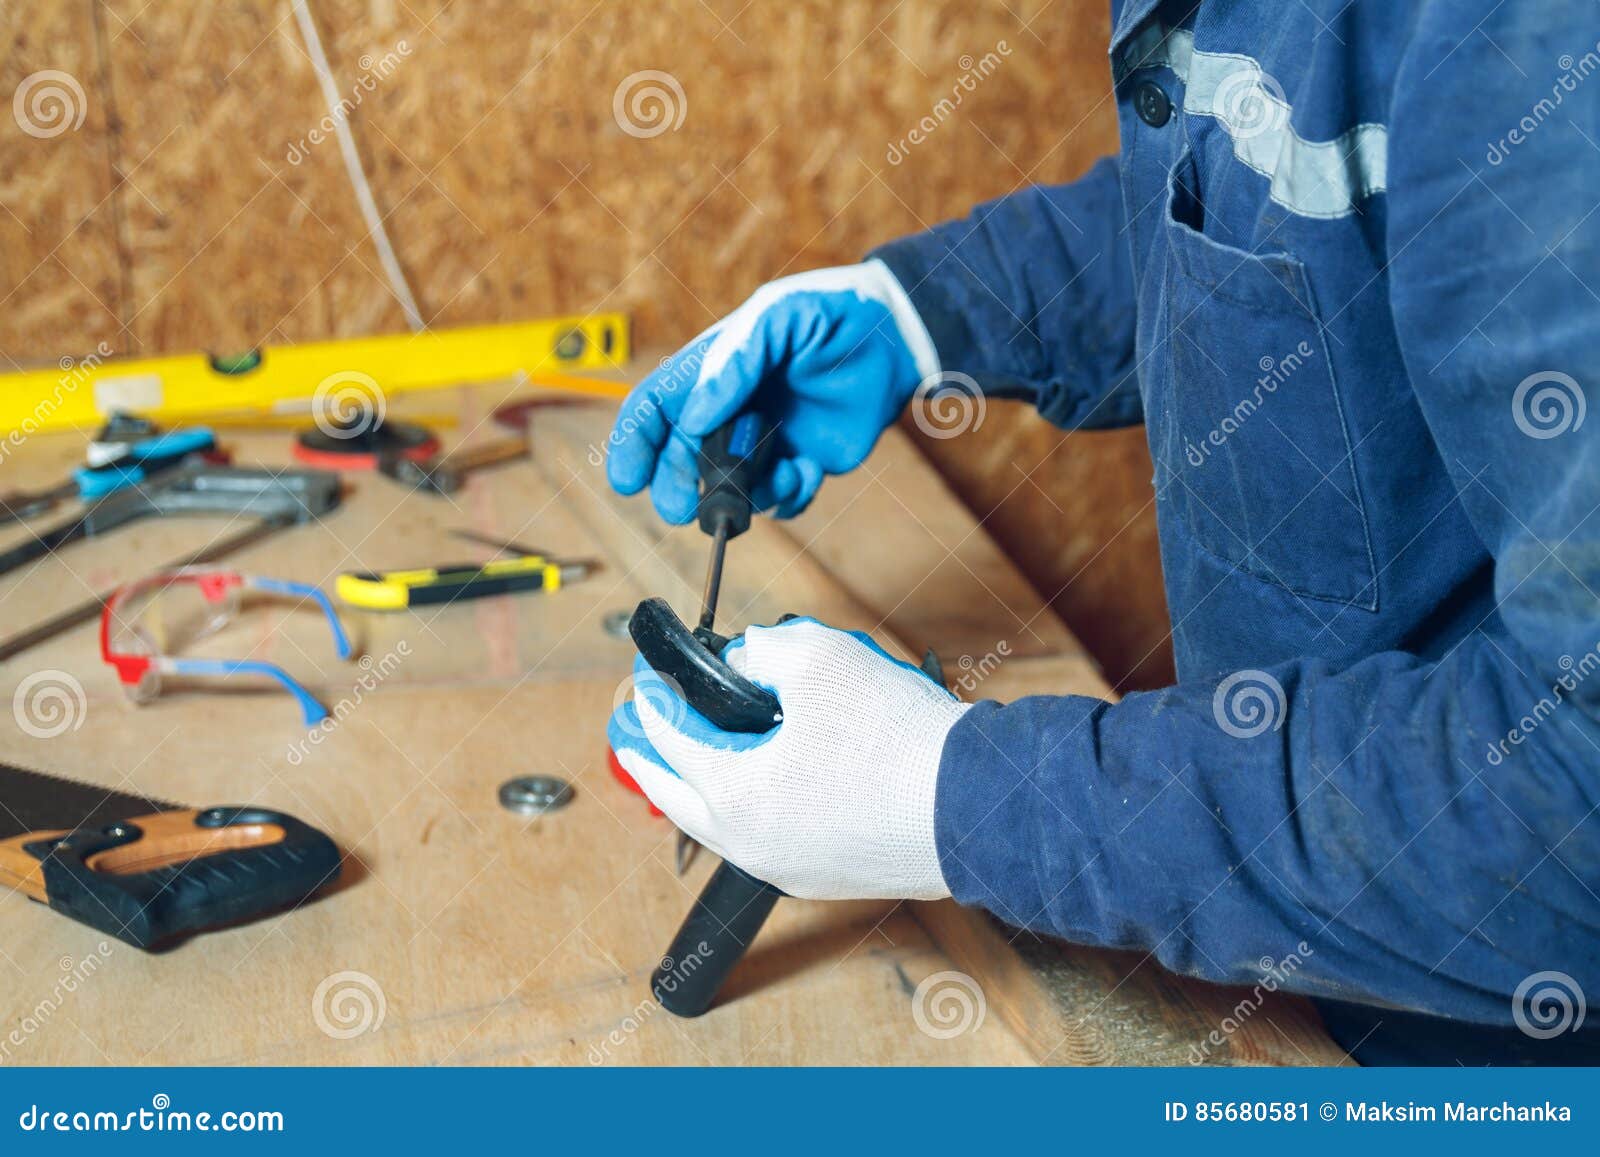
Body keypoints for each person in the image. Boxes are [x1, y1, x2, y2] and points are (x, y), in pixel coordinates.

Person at [604, 1, 1600, 1064]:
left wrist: (964, 798)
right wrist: (922, 312)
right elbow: (1271, 196)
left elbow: (1573, 796)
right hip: (1291, 949)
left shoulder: (1534, 50)